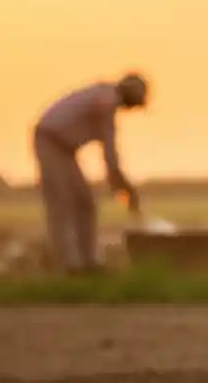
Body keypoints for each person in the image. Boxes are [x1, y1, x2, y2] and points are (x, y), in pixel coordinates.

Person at [33, 74, 146, 273]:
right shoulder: (106, 102)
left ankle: (87, 263)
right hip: (50, 142)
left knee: (84, 204)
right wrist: (125, 189)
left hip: (64, 149)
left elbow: (109, 159)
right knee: (61, 204)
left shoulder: (104, 97)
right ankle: (69, 265)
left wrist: (121, 187)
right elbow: (110, 156)